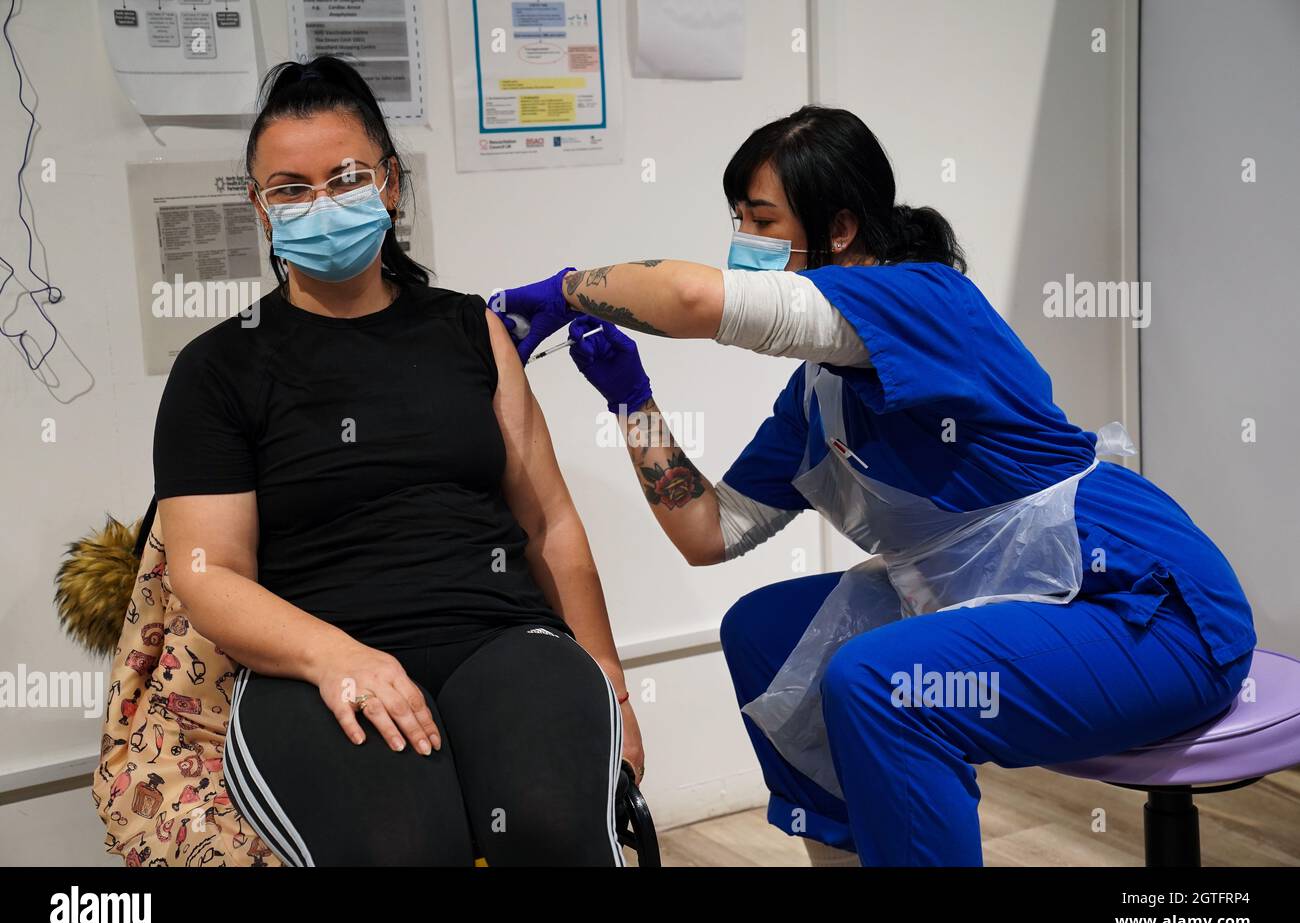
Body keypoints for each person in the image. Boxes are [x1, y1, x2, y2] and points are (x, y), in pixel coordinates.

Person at [490, 105, 1256, 866]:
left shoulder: (926, 301)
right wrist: (633, 401)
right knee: (765, 631)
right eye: (737, 219)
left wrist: (566, 289)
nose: (743, 244)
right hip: (1008, 593)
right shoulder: (818, 394)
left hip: (1143, 609)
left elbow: (696, 300)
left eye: (761, 221)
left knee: (884, 681)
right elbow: (708, 531)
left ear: (843, 227)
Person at [151, 55, 642, 866]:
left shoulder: (467, 330)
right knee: (406, 851)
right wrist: (337, 657)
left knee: (555, 827)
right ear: (260, 208)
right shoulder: (219, 368)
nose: (321, 204)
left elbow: (549, 522)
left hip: (499, 636)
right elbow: (209, 574)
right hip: (315, 662)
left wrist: (613, 683)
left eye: (345, 178)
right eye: (291, 188)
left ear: (389, 184)